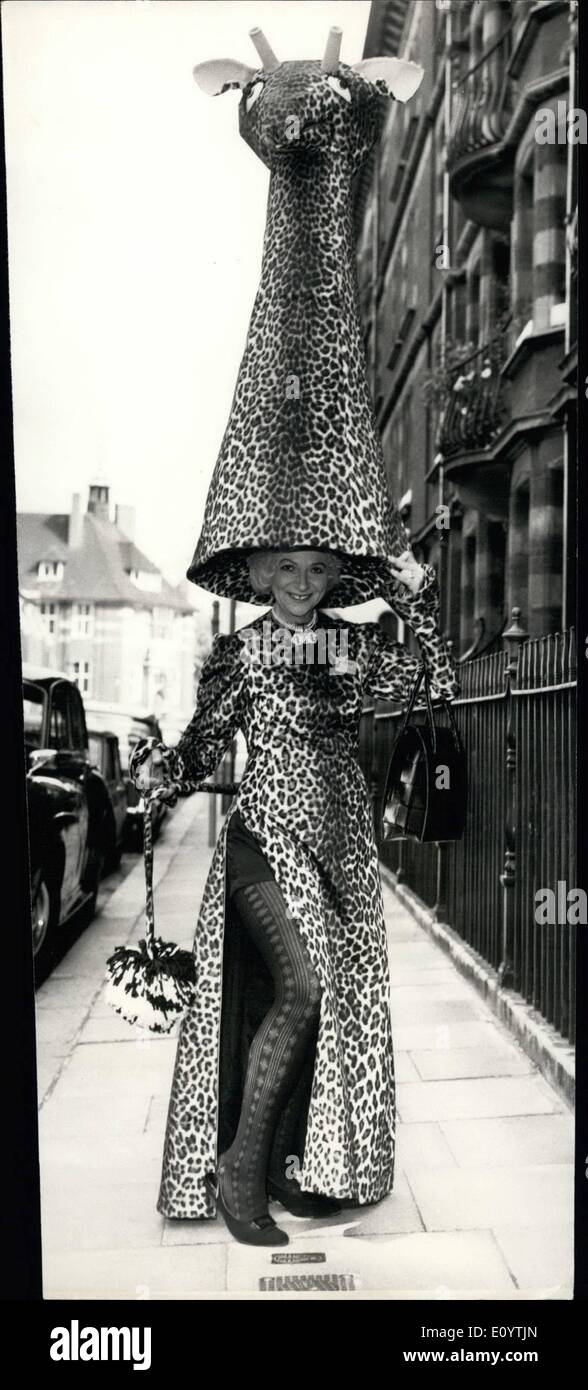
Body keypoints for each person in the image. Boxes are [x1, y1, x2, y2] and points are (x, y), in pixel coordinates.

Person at [131, 545, 459, 1246]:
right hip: (266, 842)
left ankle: (291, 1167)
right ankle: (239, 1169)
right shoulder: (241, 653)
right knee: (303, 987)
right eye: (285, 568)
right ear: (260, 576)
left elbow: (438, 683)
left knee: (325, 1005)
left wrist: (418, 596)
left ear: (334, 575)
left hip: (341, 850)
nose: (302, 583)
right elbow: (202, 746)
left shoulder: (353, 644)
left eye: (316, 568)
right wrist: (163, 773)